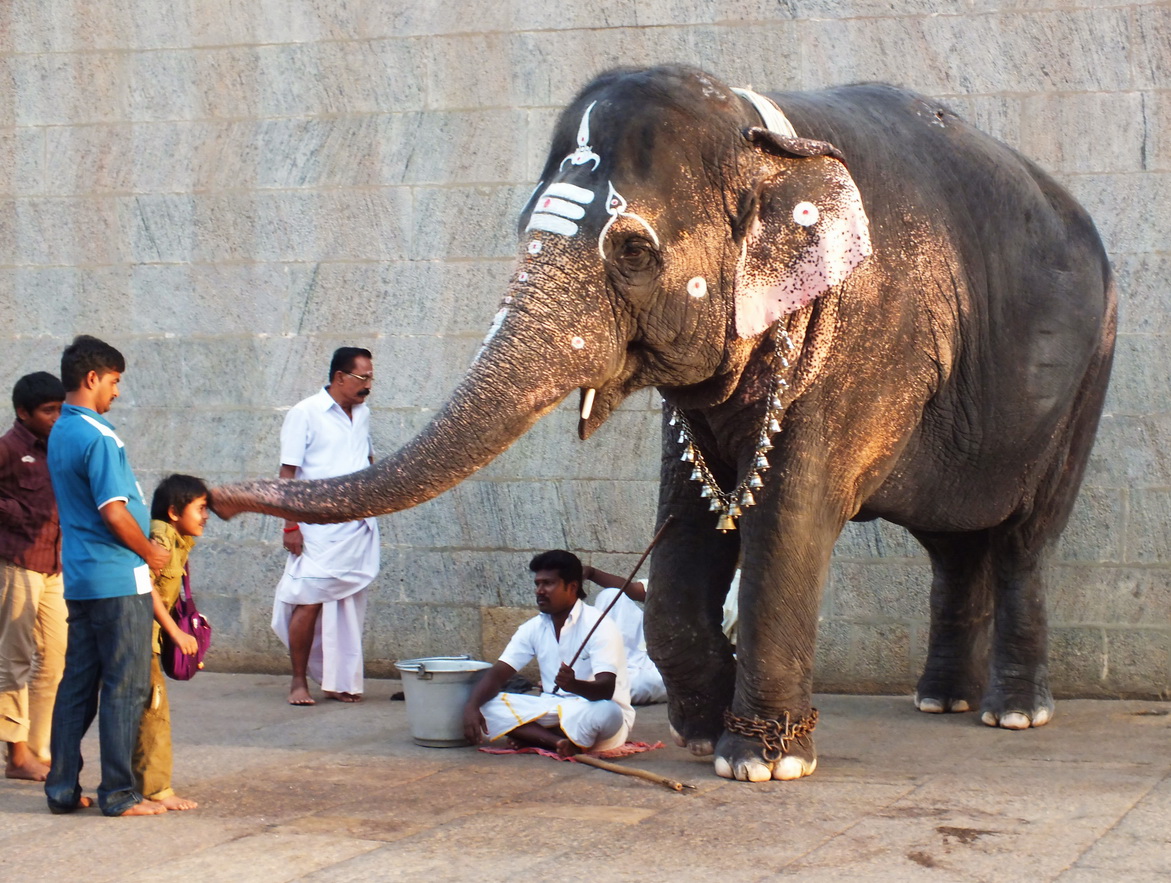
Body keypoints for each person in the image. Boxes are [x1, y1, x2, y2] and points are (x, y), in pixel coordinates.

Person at [44, 335, 169, 816]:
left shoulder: (62, 430)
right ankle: (118, 794)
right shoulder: (99, 436)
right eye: (114, 381)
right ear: (92, 378)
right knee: (125, 686)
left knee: (77, 687)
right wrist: (150, 552)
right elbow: (115, 512)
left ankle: (61, 788)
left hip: (83, 578)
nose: (116, 392)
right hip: (117, 578)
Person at [275, 347, 379, 705]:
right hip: (317, 526)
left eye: (371, 377)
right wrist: (290, 525)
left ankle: (339, 681)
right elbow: (287, 473)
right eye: (363, 377)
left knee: (348, 605)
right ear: (339, 377)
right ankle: (298, 682)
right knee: (308, 601)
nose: (368, 385)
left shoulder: (362, 413)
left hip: (357, 526)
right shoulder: (305, 413)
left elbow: (366, 458)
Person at [463, 550, 634, 756]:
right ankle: (558, 741)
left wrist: (574, 685)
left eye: (548, 583)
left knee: (609, 712)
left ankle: (534, 735)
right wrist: (471, 707)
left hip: (590, 710)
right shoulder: (533, 627)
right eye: (537, 584)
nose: (540, 591)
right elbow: (498, 674)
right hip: (551, 707)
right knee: (486, 704)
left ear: (572, 587)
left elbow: (605, 690)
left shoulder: (600, 625)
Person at [0, 372, 67, 781]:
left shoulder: (59, 447)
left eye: (61, 409)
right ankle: (16, 755)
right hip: (16, 563)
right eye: (48, 411)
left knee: (55, 658)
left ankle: (39, 749)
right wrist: (16, 513)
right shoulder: (9, 448)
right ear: (23, 413)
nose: (57, 417)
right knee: (14, 659)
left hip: (54, 566)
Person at [132, 474, 208, 812]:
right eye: (200, 508)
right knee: (154, 711)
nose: (206, 516)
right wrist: (175, 632)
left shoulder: (178, 540)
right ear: (174, 512)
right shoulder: (161, 538)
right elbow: (143, 586)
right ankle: (157, 789)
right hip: (140, 634)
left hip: (146, 635)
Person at [583, 565, 667, 705]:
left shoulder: (708, 589)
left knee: (636, 685)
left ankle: (593, 686)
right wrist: (592, 573)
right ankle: (599, 676)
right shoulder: (678, 580)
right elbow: (632, 590)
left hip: (670, 667)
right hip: (642, 647)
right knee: (610, 595)